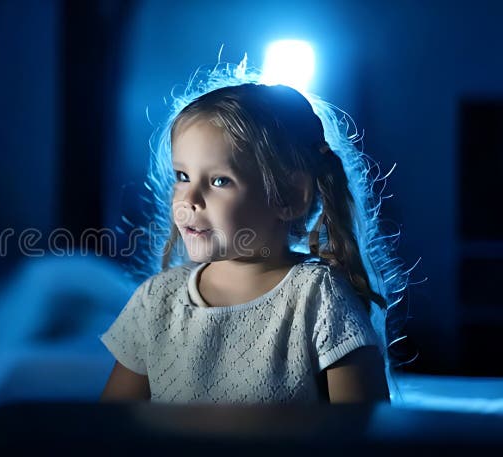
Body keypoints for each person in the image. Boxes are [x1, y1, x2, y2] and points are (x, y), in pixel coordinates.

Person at [99, 55, 413, 404]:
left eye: (219, 180)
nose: (190, 199)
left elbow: (364, 435)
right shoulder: (156, 300)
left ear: (290, 196)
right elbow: (112, 430)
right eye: (182, 177)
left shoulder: (318, 297)